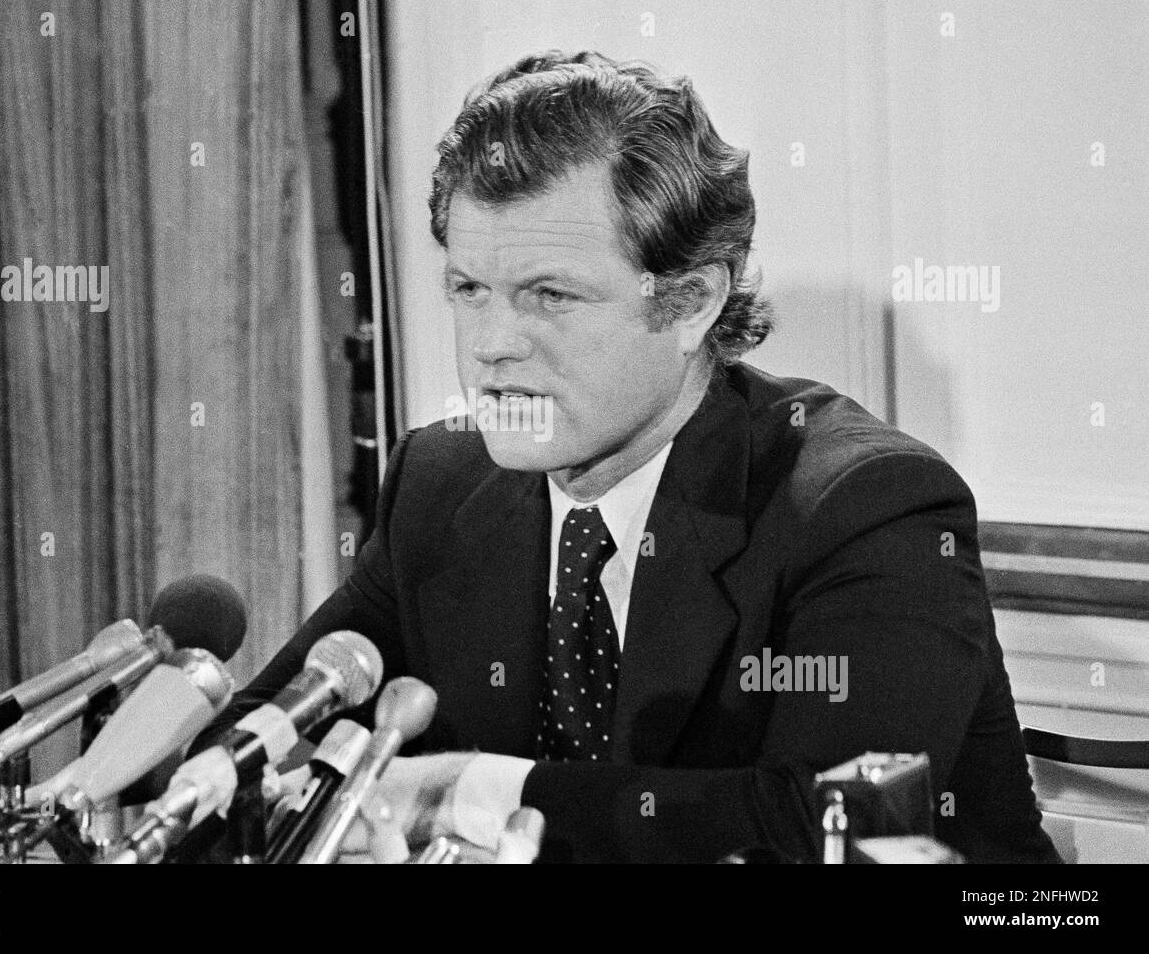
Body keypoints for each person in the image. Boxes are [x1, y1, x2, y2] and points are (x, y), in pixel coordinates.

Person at [202, 50, 1059, 863]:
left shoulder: (863, 506)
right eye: (468, 290)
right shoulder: (442, 482)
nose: (492, 347)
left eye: (551, 295)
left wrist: (472, 792)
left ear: (690, 303)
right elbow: (247, 753)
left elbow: (817, 825)